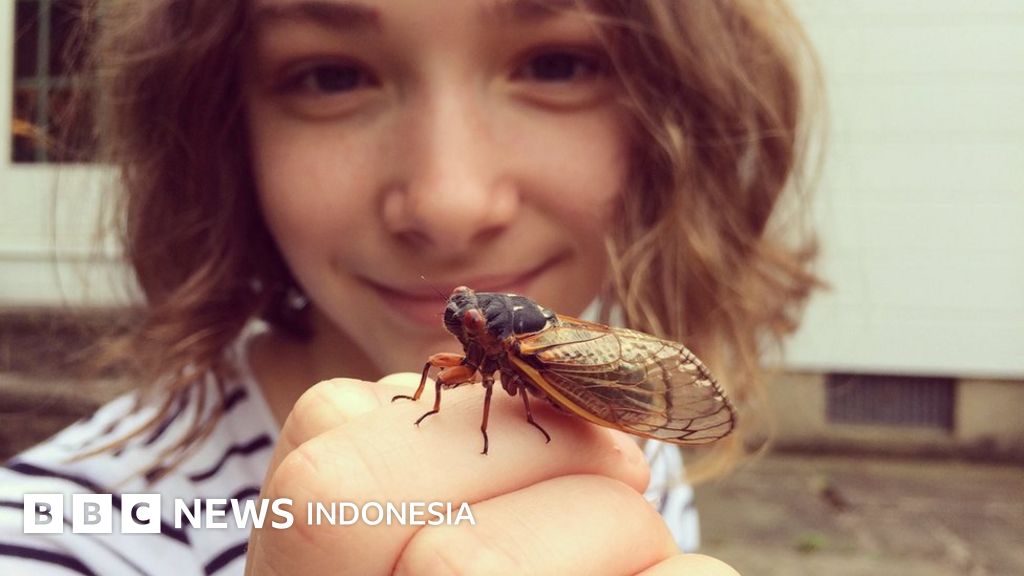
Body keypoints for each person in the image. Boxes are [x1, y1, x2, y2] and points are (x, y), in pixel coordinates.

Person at [1, 0, 820, 574]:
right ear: (219, 131)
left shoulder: (629, 454)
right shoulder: (53, 536)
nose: (449, 204)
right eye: (330, 75)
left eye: (557, 63)